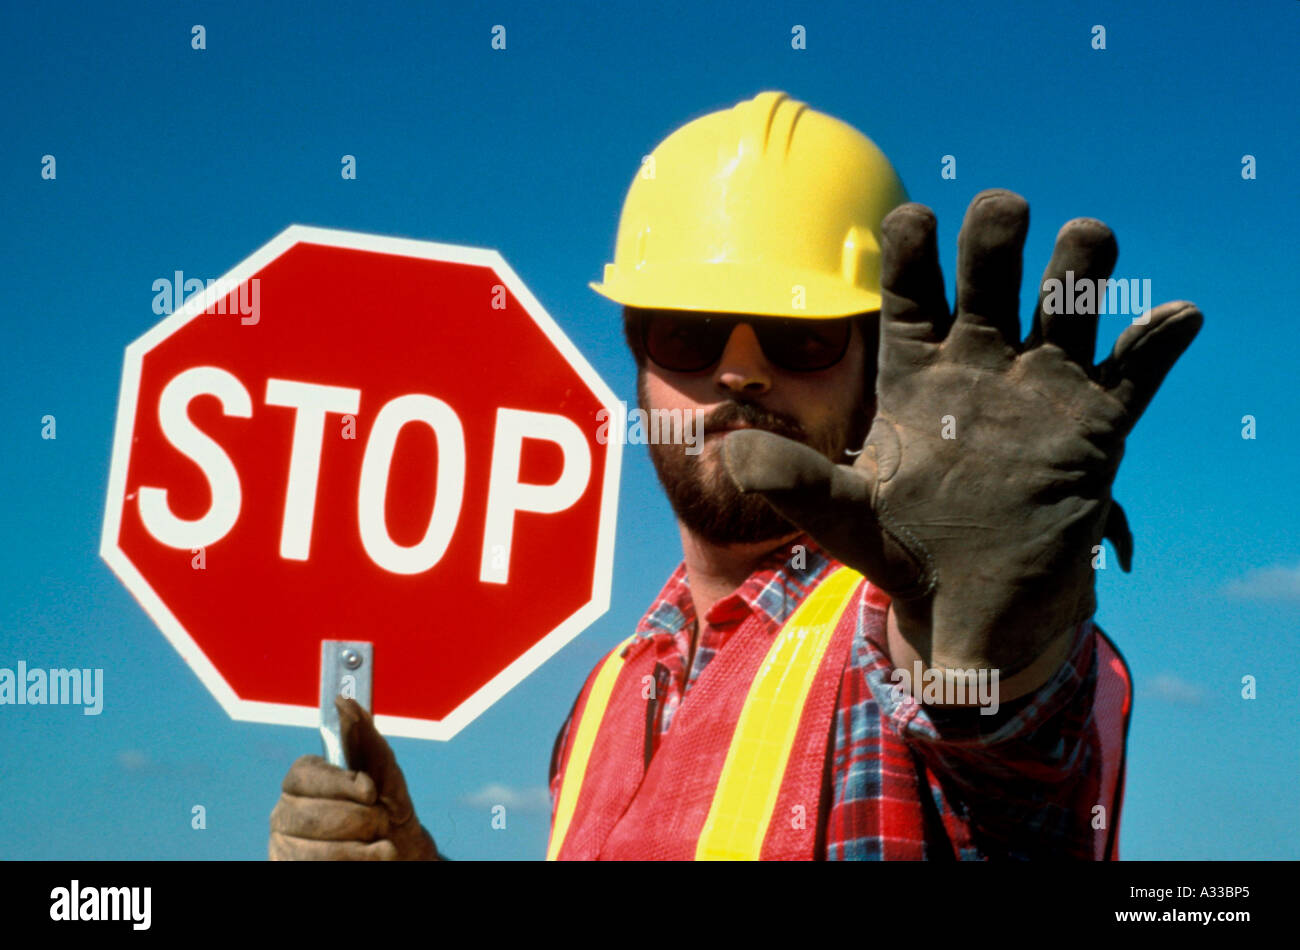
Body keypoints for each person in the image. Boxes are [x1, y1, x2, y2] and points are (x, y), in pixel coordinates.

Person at [269, 91, 1202, 861]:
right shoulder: (608, 695)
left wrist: (999, 662)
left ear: (885, 364)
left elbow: (1013, 768)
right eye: (690, 333)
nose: (741, 372)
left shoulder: (903, 620)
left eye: (801, 337)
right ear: (636, 358)